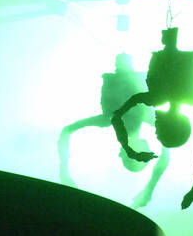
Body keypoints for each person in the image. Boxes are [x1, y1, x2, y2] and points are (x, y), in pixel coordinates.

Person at [111, 28, 193, 210]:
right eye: (160, 131)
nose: (155, 129)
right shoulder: (159, 99)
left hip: (182, 38)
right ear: (171, 126)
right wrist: (128, 149)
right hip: (186, 36)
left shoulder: (185, 99)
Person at [58, 53, 170, 208]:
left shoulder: (141, 117)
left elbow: (67, 131)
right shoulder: (144, 117)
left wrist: (149, 189)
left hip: (121, 59)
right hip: (123, 60)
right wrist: (64, 171)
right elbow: (66, 131)